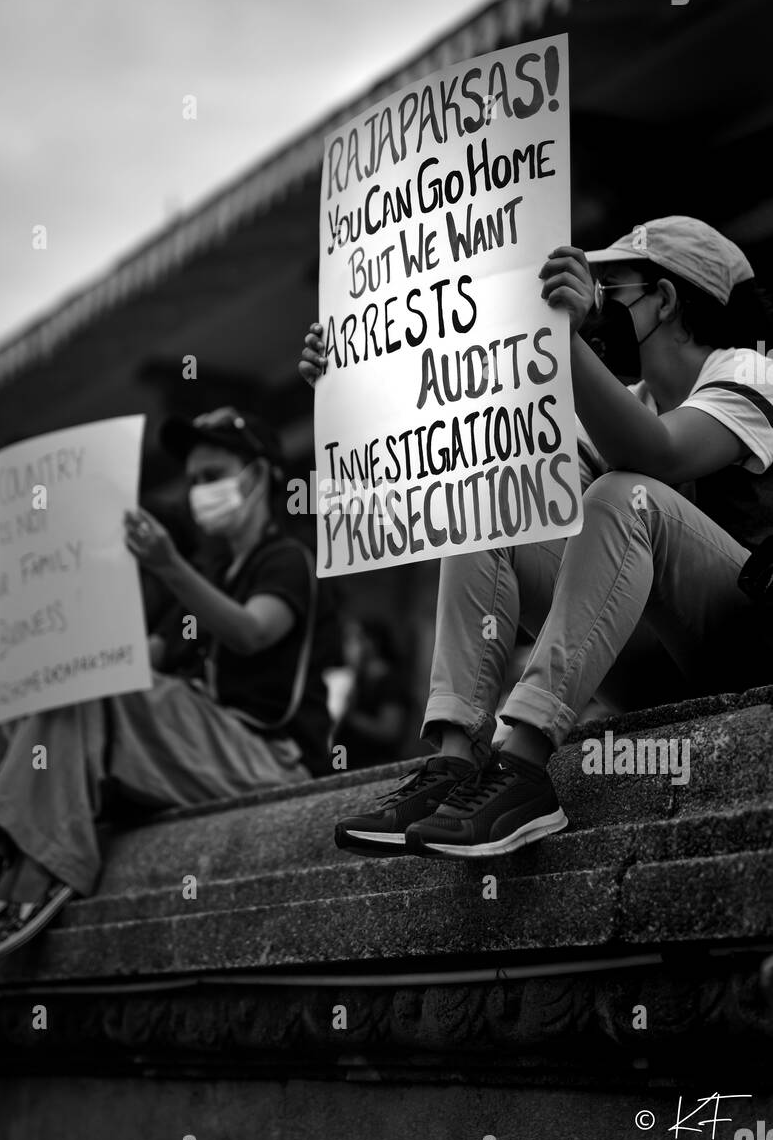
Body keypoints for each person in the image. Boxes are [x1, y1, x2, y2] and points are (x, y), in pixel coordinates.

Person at [299, 216, 773, 859]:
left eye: (613, 284)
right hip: (660, 663)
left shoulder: (749, 371)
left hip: (746, 645)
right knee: (492, 507)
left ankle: (522, 767)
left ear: (663, 300)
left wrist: (562, 339)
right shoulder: (628, 397)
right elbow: (501, 489)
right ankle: (454, 762)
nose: (597, 298)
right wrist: (351, 394)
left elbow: (655, 454)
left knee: (620, 494)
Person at [0, 408, 337, 957]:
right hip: (206, 744)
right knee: (69, 680)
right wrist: (15, 629)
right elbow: (132, 659)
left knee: (95, 684)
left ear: (260, 475)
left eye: (214, 476)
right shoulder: (206, 576)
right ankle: (25, 861)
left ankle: (52, 863)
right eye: (194, 479)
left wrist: (167, 565)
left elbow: (252, 632)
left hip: (268, 756)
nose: (199, 490)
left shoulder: (287, 560)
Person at [334, 616, 409, 770]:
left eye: (355, 639)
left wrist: (348, 716)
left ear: (372, 643)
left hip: (375, 767)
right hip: (345, 762)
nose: (348, 646)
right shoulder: (354, 679)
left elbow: (389, 731)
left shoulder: (390, 682)